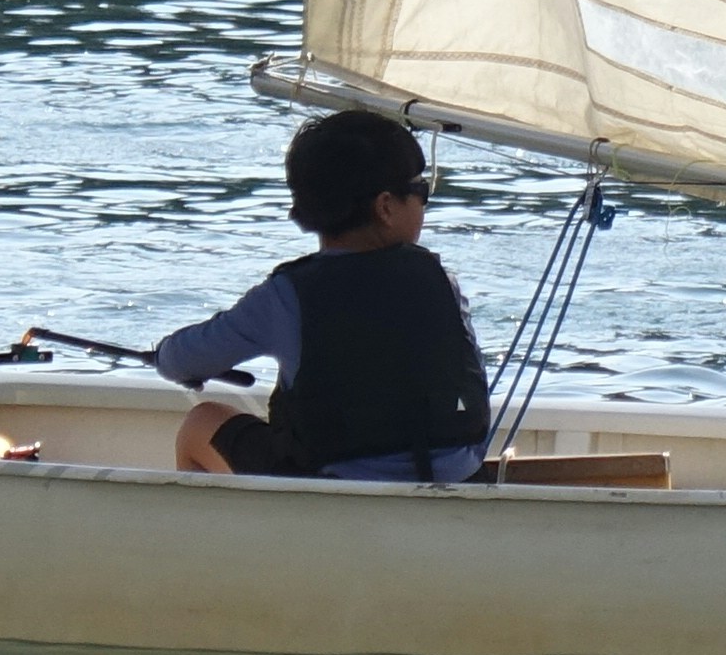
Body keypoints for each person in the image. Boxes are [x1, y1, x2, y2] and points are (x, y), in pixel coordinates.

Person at [155, 109, 495, 482]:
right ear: (385, 206)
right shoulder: (442, 281)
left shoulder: (285, 295)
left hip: (335, 492)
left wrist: (164, 356)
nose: (424, 203)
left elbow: (181, 362)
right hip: (453, 475)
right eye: (421, 191)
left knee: (200, 422)